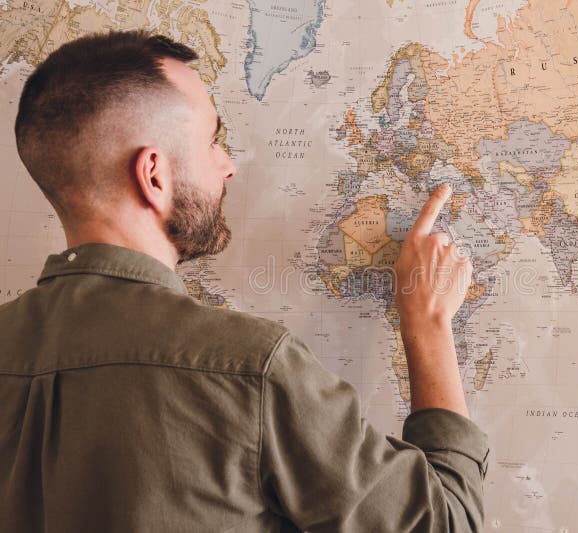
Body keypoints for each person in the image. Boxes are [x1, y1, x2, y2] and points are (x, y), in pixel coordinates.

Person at [0, 30, 488, 532]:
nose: (226, 165)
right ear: (153, 175)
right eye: (212, 140)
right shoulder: (249, 368)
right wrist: (429, 324)